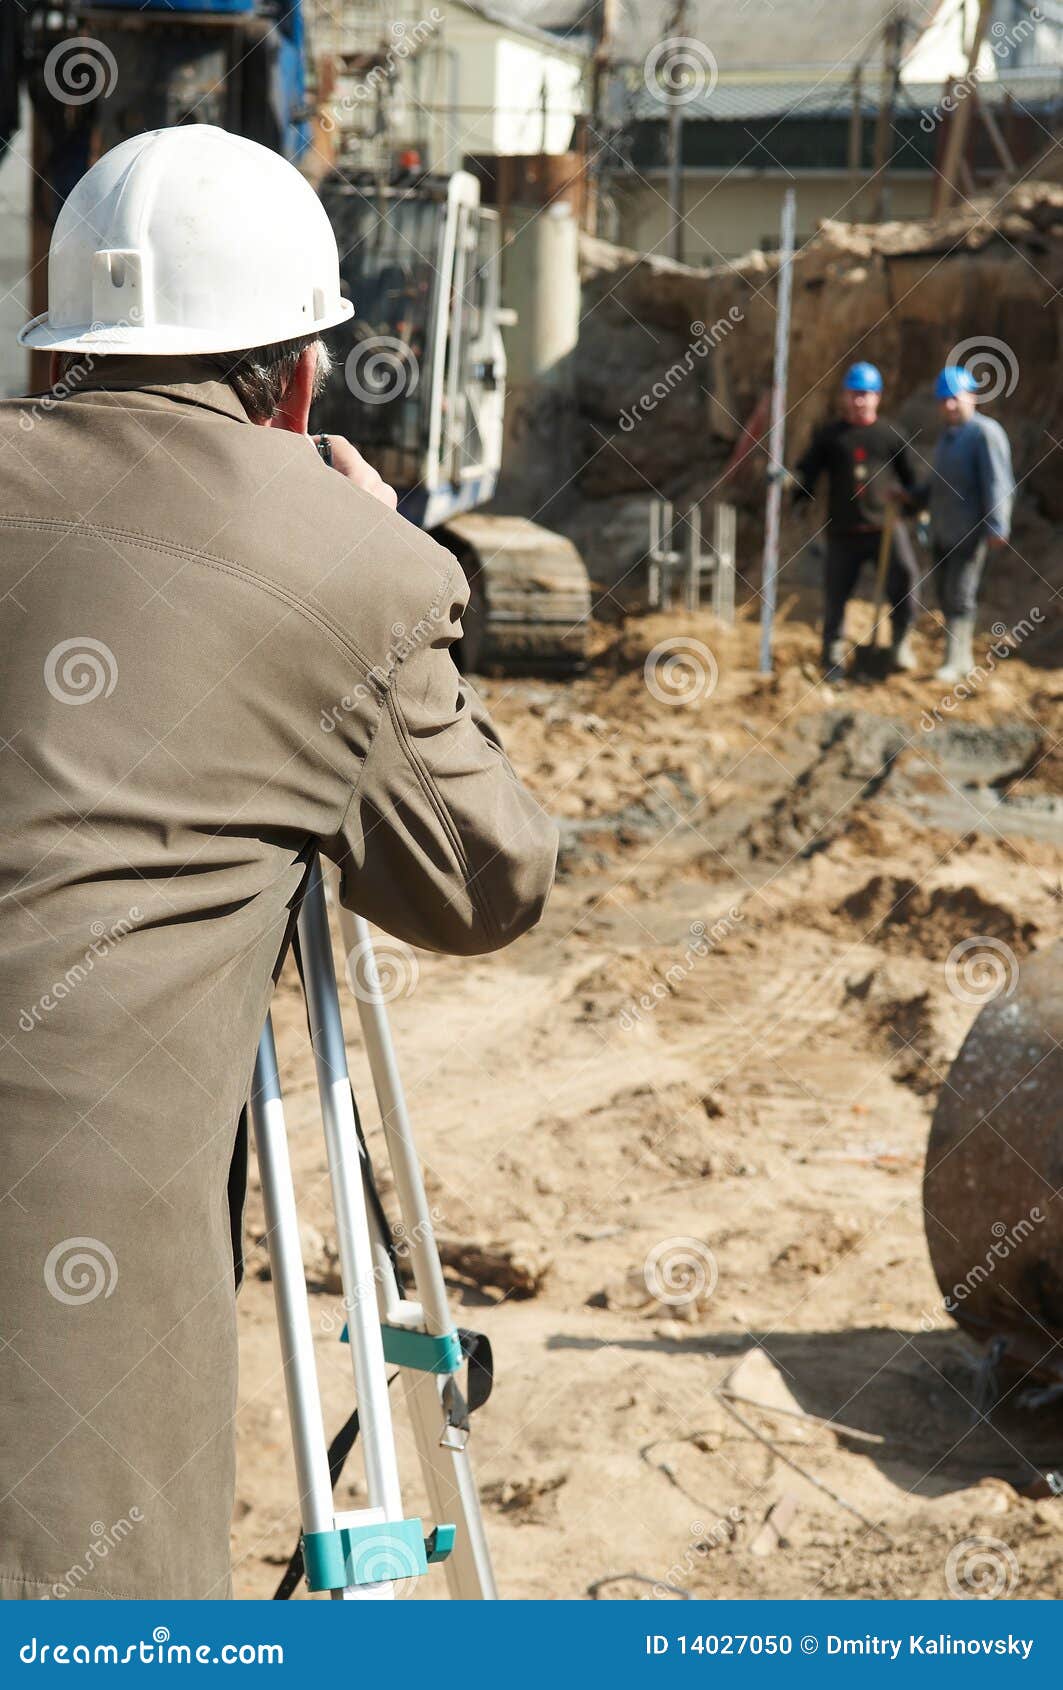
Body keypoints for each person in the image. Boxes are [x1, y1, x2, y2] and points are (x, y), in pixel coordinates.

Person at [0, 126, 557, 1600]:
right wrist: (369, 559)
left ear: (60, 347)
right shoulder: (345, 560)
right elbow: (489, 877)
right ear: (300, 375)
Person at [792, 361, 921, 678]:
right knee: (836, 595)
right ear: (844, 397)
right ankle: (832, 653)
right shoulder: (831, 437)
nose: (858, 401)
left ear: (877, 397)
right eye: (853, 394)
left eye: (865, 394)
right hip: (843, 531)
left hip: (886, 528)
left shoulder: (891, 435)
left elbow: (912, 481)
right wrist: (791, 486)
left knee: (904, 579)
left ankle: (900, 642)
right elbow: (806, 474)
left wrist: (909, 503)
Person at [927, 365, 1015, 682]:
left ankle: (957, 659)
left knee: (961, 594)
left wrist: (997, 524)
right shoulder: (947, 439)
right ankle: (958, 658)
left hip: (970, 532)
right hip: (943, 531)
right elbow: (935, 484)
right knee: (945, 594)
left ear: (972, 397)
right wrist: (911, 498)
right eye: (944, 400)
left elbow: (997, 481)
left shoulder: (984, 433)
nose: (950, 405)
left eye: (955, 398)